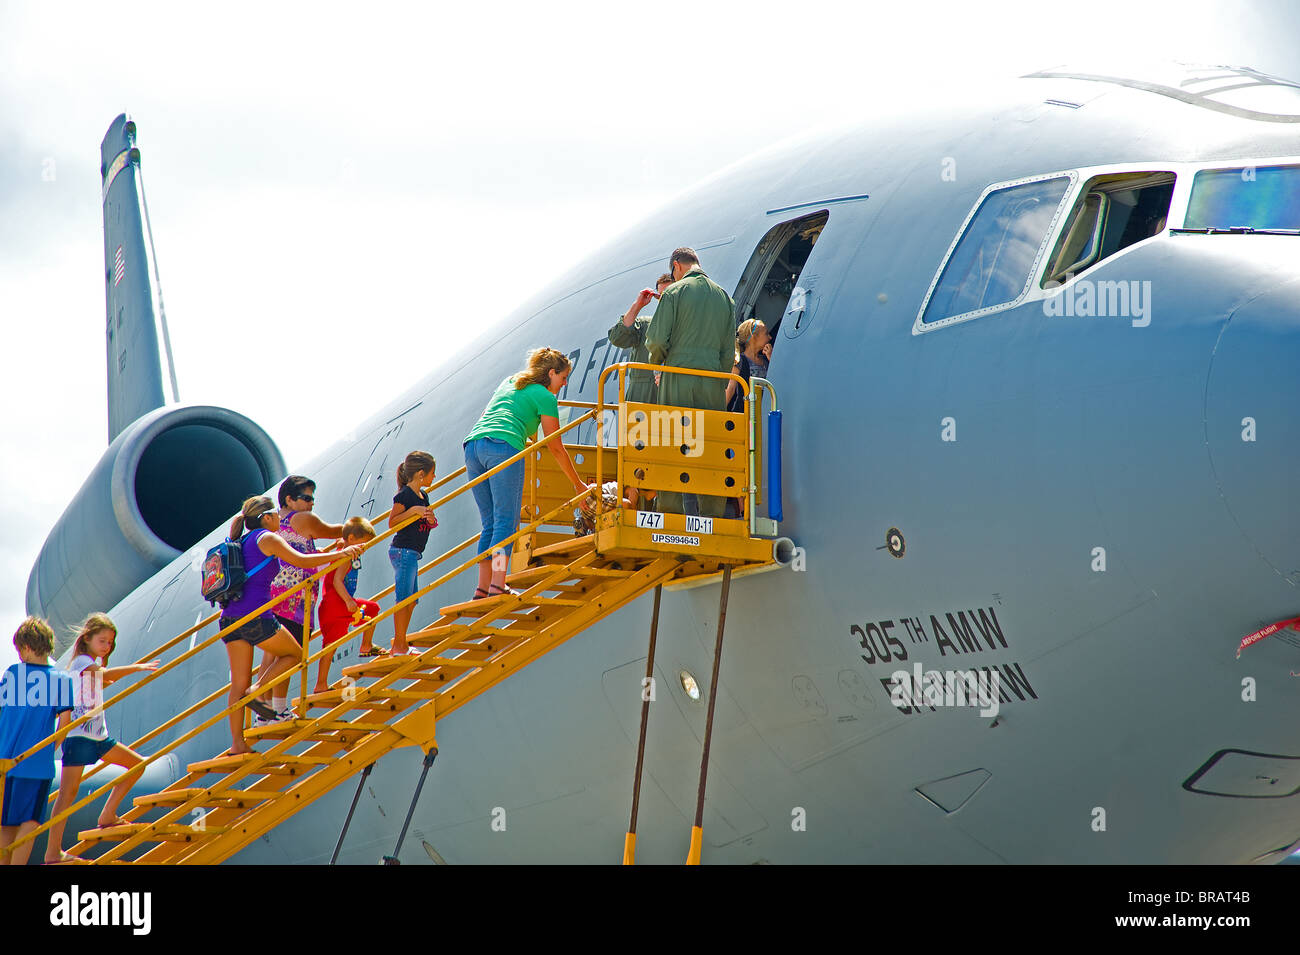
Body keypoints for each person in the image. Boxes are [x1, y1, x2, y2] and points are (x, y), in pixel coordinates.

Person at [220, 497, 361, 755]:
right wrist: (341, 553)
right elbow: (301, 561)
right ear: (265, 518)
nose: (279, 517)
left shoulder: (243, 541)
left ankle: (237, 744)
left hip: (230, 618)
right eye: (275, 513)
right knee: (296, 654)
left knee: (237, 683)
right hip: (256, 615)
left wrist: (328, 552)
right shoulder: (267, 538)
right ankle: (258, 691)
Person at [463, 348, 592, 599]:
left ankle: (482, 587)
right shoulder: (544, 396)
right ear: (551, 373)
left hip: (473, 447)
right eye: (563, 377)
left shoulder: (511, 382)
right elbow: (555, 445)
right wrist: (577, 484)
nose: (565, 383)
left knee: (489, 522)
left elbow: (491, 417)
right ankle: (498, 583)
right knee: (506, 522)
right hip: (503, 446)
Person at [44, 614, 159, 863]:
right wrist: (136, 668)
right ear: (87, 638)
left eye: (110, 643)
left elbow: (96, 684)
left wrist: (104, 677)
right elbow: (103, 674)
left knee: (137, 764)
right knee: (67, 795)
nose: (106, 646)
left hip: (98, 736)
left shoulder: (89, 667)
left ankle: (107, 815)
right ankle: (53, 852)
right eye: (102, 641)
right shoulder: (81, 662)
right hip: (80, 736)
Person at [645, 247, 737, 517]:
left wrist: (659, 364)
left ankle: (671, 519)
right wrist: (716, 380)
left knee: (672, 449)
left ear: (677, 267)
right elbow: (727, 353)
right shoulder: (724, 298)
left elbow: (657, 341)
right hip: (712, 382)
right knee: (709, 453)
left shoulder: (674, 292)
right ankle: (712, 519)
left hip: (678, 378)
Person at [0, 617, 74, 866]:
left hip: (5, 760)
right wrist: (50, 749)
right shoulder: (62, 680)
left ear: (27, 647)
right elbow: (66, 720)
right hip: (37, 764)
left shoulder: (12, 674)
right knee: (30, 822)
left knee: (6, 824)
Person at [266, 475, 343, 655]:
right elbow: (336, 531)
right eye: (307, 498)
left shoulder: (275, 521)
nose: (311, 504)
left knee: (274, 659)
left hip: (272, 597)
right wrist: (358, 528)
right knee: (290, 658)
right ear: (289, 499)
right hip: (295, 600)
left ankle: (261, 685)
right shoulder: (302, 519)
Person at [316, 517, 383, 691]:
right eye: (363, 544)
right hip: (338, 603)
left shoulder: (342, 550)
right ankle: (366, 645)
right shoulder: (347, 556)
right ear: (352, 539)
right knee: (373, 609)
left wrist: (342, 543)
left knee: (329, 645)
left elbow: (342, 546)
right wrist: (348, 601)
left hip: (328, 607)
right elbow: (338, 581)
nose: (364, 548)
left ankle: (320, 684)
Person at [388, 451, 438, 656]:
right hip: (403, 551)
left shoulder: (423, 496)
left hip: (413, 552)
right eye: (432, 473)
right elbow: (392, 522)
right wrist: (413, 512)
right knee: (404, 598)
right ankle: (398, 645)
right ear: (420, 474)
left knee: (412, 600)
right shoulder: (404, 495)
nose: (434, 477)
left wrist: (430, 519)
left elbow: (424, 521)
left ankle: (402, 643)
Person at [608, 272, 674, 405]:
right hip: (642, 406)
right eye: (661, 296)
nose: (665, 300)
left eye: (670, 295)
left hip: (674, 406)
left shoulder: (689, 328)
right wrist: (638, 305)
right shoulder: (645, 326)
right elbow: (617, 338)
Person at [724, 318, 772, 413]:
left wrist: (772, 359)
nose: (770, 337)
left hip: (762, 412)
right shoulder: (739, 361)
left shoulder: (765, 361)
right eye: (766, 334)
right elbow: (731, 387)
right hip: (745, 413)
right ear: (754, 337)